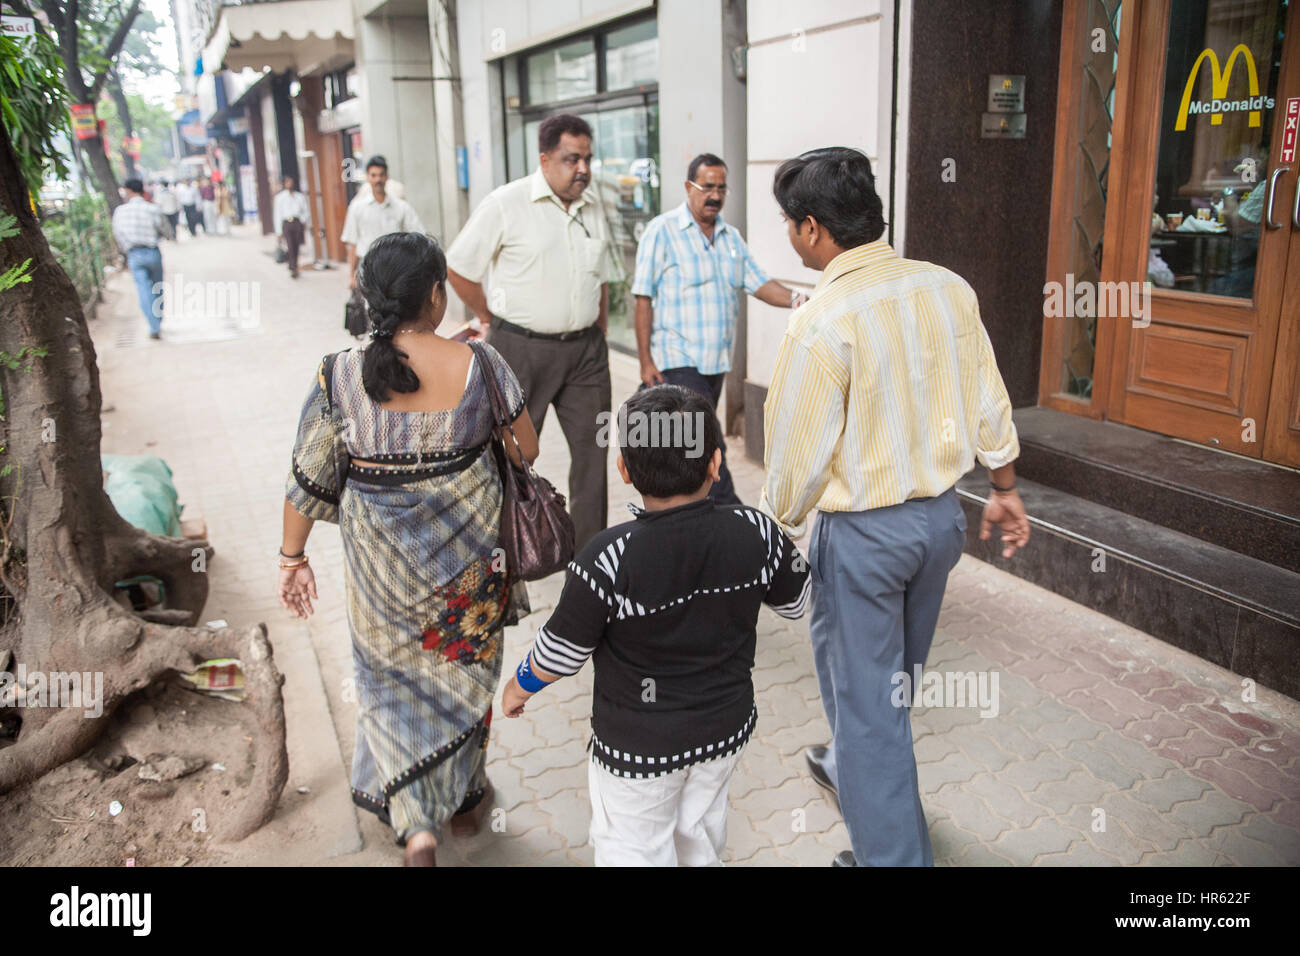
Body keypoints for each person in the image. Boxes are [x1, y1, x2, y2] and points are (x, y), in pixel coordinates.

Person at [760, 147, 1030, 867]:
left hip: (864, 539)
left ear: (813, 229)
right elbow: (988, 398)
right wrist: (1003, 490)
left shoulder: (822, 319)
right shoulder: (948, 288)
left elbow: (796, 457)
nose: (790, 236)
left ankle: (891, 856)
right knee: (890, 684)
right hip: (940, 524)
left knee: (870, 701)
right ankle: (853, 766)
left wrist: (772, 534)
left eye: (790, 224)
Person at [278, 231, 540, 867]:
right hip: (469, 577)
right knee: (463, 679)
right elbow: (526, 450)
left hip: (381, 581)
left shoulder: (339, 373)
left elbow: (310, 476)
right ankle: (467, 798)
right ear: (434, 293)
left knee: (389, 684)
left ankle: (416, 829)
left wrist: (292, 558)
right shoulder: (481, 363)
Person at [501, 385, 810, 866]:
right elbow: (798, 604)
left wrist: (519, 687)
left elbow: (560, 652)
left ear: (623, 469)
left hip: (636, 751)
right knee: (701, 839)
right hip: (724, 730)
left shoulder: (606, 557)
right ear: (714, 464)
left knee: (633, 851)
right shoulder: (757, 530)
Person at [446, 113, 619, 549]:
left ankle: (588, 558)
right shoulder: (506, 202)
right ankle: (506, 549)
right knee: (511, 455)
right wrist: (490, 318)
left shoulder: (595, 205)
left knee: (592, 455)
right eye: (571, 159)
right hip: (519, 349)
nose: (582, 169)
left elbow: (602, 280)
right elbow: (459, 267)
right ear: (544, 159)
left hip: (586, 355)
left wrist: (596, 331)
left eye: (588, 159)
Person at [632, 153, 808, 505]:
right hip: (678, 360)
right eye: (707, 187)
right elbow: (642, 298)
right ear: (689, 187)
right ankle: (736, 519)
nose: (714, 195)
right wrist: (646, 361)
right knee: (711, 444)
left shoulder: (730, 238)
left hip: (715, 364)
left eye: (721, 188)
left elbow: (758, 283)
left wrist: (801, 299)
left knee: (688, 448)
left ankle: (687, 512)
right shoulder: (662, 232)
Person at [110, 178, 169, 340]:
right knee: (157, 288)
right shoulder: (152, 209)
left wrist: (127, 248)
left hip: (134, 254)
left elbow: (118, 234)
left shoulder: (120, 212)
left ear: (128, 191)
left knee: (143, 290)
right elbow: (165, 229)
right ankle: (157, 320)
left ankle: (153, 325)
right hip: (153, 252)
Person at [274, 175, 312, 278]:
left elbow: (306, 211)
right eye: (288, 182)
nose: (290, 184)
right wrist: (278, 231)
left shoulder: (300, 197)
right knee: (290, 245)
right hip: (287, 223)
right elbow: (277, 214)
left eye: (291, 182)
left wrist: (302, 221)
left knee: (296, 245)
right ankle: (293, 266)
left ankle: (294, 264)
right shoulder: (280, 198)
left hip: (297, 222)